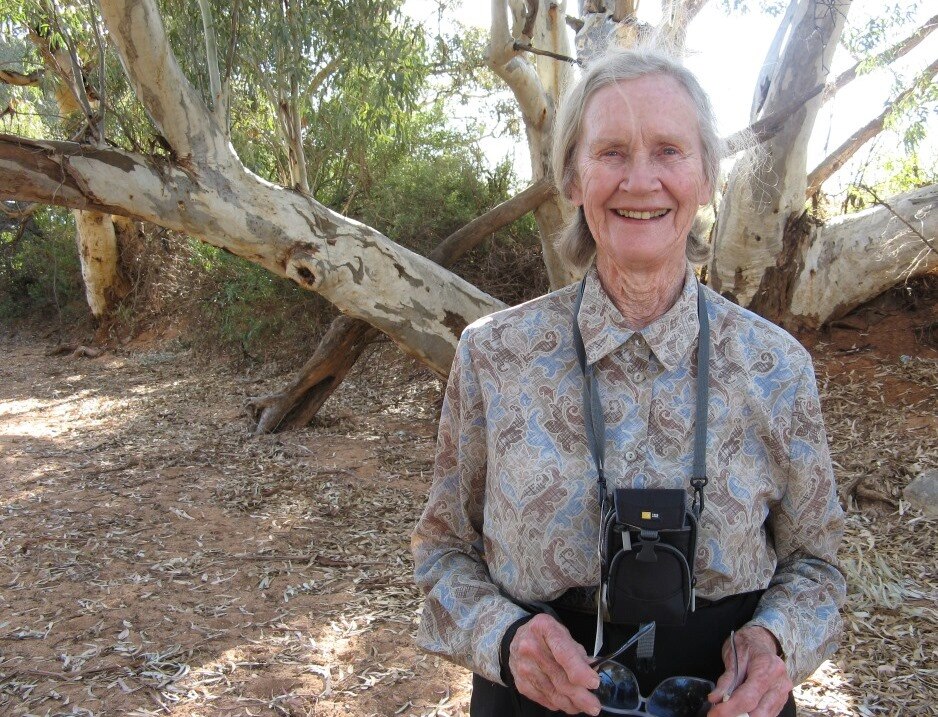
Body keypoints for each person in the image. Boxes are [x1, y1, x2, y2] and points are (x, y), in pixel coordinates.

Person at [412, 48, 845, 717]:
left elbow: (817, 566)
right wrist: (503, 641)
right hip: (536, 698)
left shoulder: (777, 368)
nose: (640, 180)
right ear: (572, 178)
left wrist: (775, 643)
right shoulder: (493, 357)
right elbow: (442, 552)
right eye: (612, 151)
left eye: (669, 150)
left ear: (705, 178)